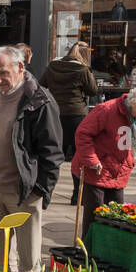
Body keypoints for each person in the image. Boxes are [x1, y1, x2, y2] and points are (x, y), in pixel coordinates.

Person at [0, 45, 65, 272]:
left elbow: (52, 153)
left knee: (28, 263)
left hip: (23, 192)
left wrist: (41, 190)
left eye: (3, 72)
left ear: (20, 67)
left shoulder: (39, 101)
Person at [72, 86, 136, 239]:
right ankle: (90, 249)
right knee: (95, 214)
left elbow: (133, 140)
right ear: (134, 104)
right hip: (97, 169)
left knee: (116, 215)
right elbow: (83, 134)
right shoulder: (106, 110)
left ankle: (109, 248)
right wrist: (92, 160)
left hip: (119, 169)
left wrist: (131, 162)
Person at [42, 41, 99, 205]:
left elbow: (41, 84)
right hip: (76, 115)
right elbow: (93, 90)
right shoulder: (82, 69)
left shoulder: (52, 66)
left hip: (54, 113)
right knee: (78, 157)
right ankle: (77, 196)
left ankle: (45, 192)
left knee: (51, 155)